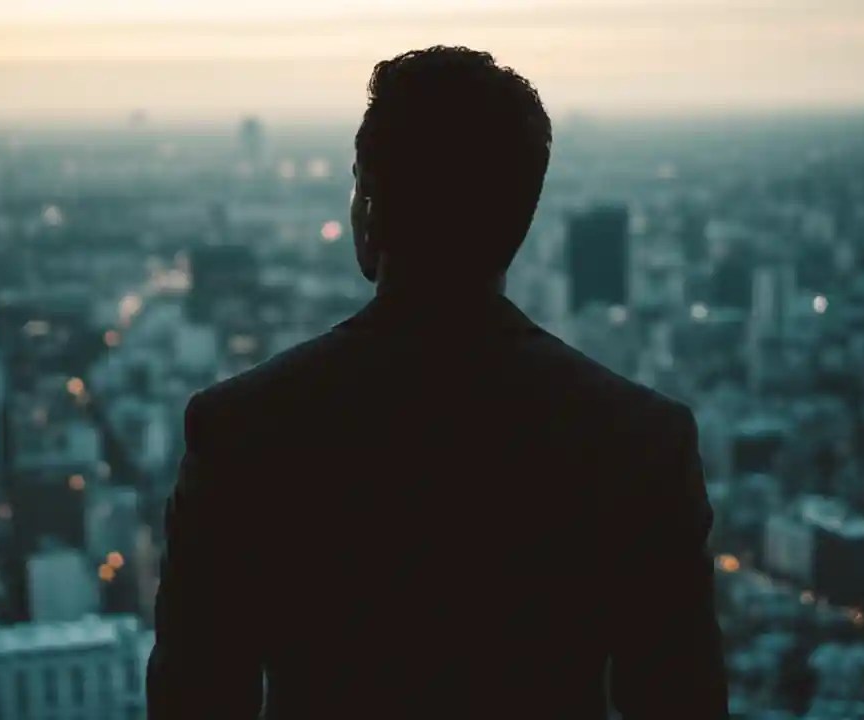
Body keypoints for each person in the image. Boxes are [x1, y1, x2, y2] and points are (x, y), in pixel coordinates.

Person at [147, 45, 727, 720]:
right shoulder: (639, 442)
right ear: (517, 221)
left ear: (369, 207)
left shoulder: (242, 432)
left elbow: (195, 700)